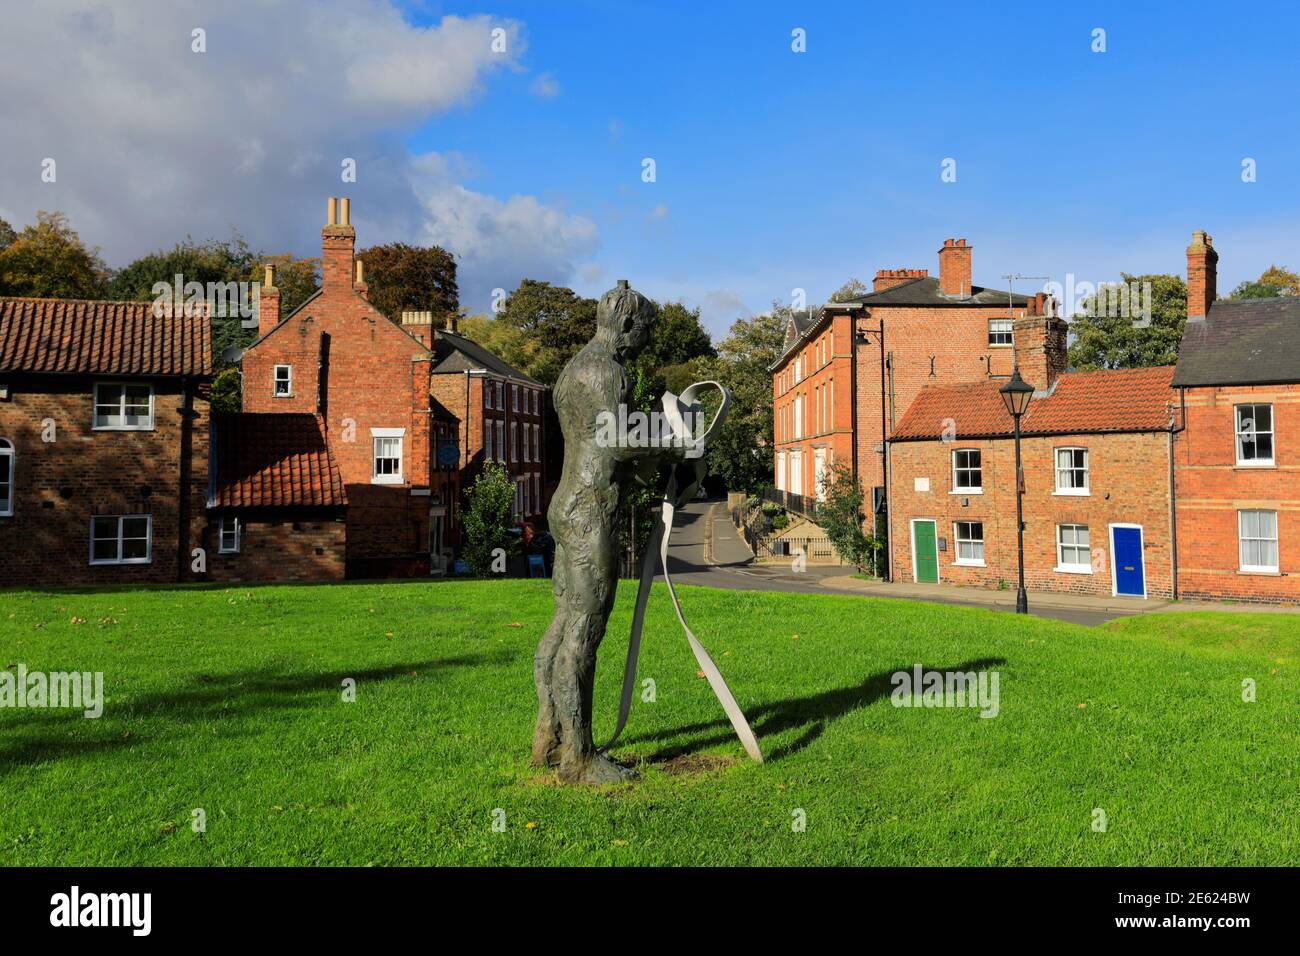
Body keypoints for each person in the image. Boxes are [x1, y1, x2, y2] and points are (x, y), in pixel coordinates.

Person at [531, 281, 686, 783]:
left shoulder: (572, 368)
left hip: (566, 504)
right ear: (624, 324)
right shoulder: (609, 371)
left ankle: (548, 738)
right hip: (590, 511)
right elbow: (614, 439)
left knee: (561, 625)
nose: (645, 340)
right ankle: (579, 759)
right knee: (584, 632)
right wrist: (674, 441)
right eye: (643, 329)